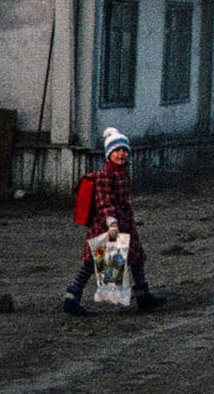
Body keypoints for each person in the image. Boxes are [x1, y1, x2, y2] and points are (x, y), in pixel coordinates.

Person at [62, 128, 165, 315]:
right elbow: (104, 201)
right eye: (117, 151)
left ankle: (143, 295)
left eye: (124, 150)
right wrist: (112, 223)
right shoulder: (104, 175)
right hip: (106, 225)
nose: (121, 154)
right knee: (92, 261)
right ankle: (72, 296)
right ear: (109, 154)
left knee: (137, 257)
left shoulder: (124, 173)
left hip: (125, 224)